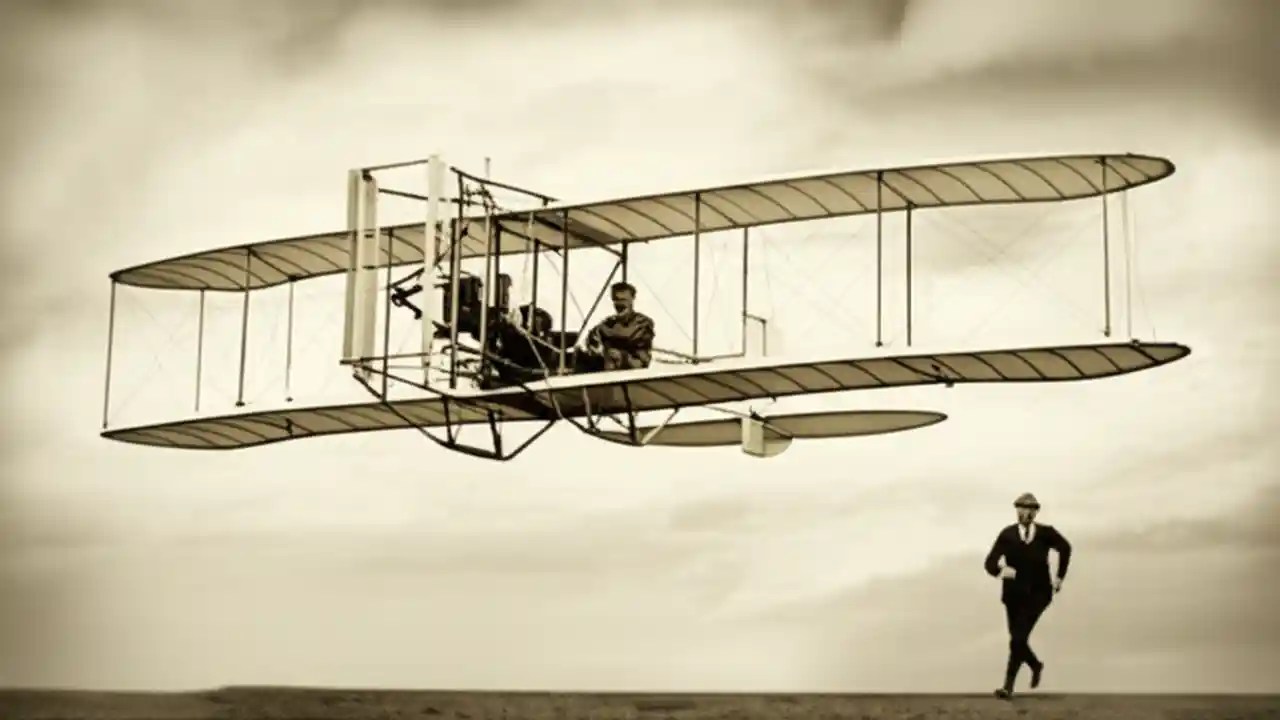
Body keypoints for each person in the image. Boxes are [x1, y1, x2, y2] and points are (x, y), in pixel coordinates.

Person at [983, 492, 1072, 699]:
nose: (1026, 512)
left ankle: (1008, 686)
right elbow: (989, 562)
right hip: (1013, 596)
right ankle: (1034, 664)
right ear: (1017, 510)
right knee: (1016, 640)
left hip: (1038, 594)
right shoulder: (1007, 535)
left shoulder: (1045, 533)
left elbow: (1065, 548)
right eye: (1022, 508)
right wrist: (1002, 571)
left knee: (1018, 638)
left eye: (1031, 509)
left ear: (1036, 512)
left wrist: (1059, 577)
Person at [582, 281, 655, 371]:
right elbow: (591, 341)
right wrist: (595, 349)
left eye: (623, 300)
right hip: (609, 373)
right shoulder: (608, 324)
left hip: (635, 373)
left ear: (632, 299)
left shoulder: (642, 323)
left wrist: (620, 354)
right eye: (616, 300)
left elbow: (641, 357)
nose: (619, 304)